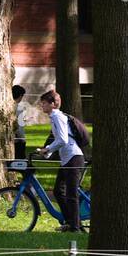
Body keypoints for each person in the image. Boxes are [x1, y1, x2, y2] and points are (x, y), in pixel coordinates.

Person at [35, 89, 85, 233]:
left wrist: (48, 149)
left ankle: (75, 227)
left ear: (52, 104)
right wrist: (47, 152)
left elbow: (62, 139)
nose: (42, 106)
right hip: (67, 160)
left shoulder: (57, 117)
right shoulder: (54, 117)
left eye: (44, 103)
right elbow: (60, 140)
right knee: (58, 191)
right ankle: (70, 221)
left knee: (71, 194)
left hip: (74, 158)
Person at [12, 84, 27, 160]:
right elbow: (20, 125)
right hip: (17, 139)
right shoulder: (20, 108)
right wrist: (23, 138)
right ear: (20, 96)